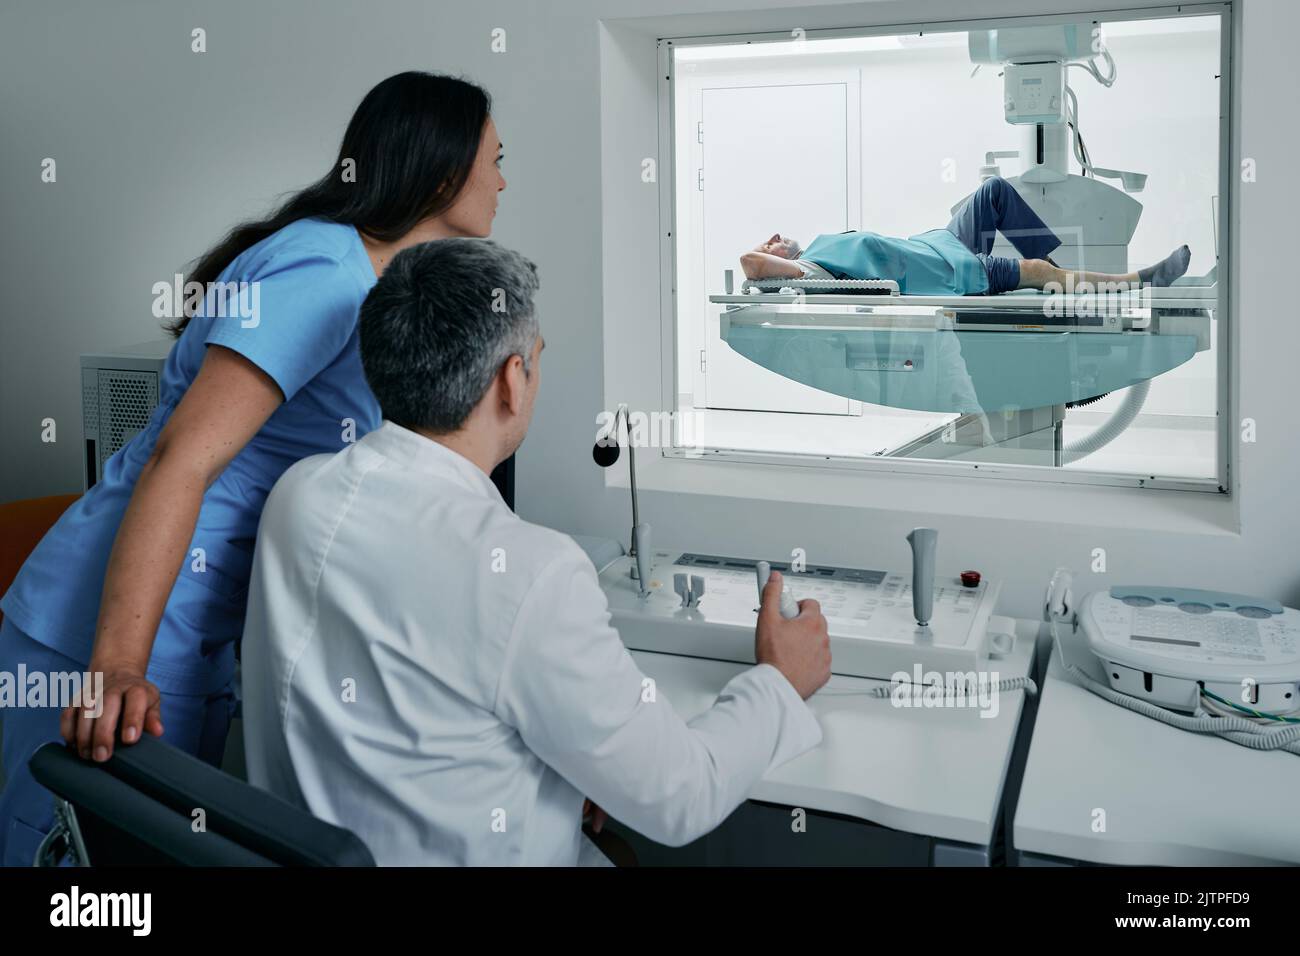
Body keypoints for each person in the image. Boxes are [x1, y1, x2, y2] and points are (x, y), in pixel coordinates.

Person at [0, 72, 505, 865]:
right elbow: (182, 461)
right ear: (442, 175)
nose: (504, 181)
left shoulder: (364, 282)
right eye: (496, 161)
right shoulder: (324, 272)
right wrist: (118, 667)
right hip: (106, 630)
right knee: (71, 878)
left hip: (187, 627)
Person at [239, 238, 831, 866]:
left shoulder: (296, 496)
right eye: (536, 360)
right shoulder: (530, 572)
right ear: (510, 382)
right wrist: (778, 682)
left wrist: (562, 767)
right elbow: (680, 795)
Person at [740, 176, 1191, 295]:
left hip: (941, 244)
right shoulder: (807, 269)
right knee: (1029, 270)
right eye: (769, 240)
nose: (774, 238)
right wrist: (761, 256)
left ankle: (1055, 274)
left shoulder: (823, 244)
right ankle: (1140, 280)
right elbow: (751, 265)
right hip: (952, 273)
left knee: (994, 191)